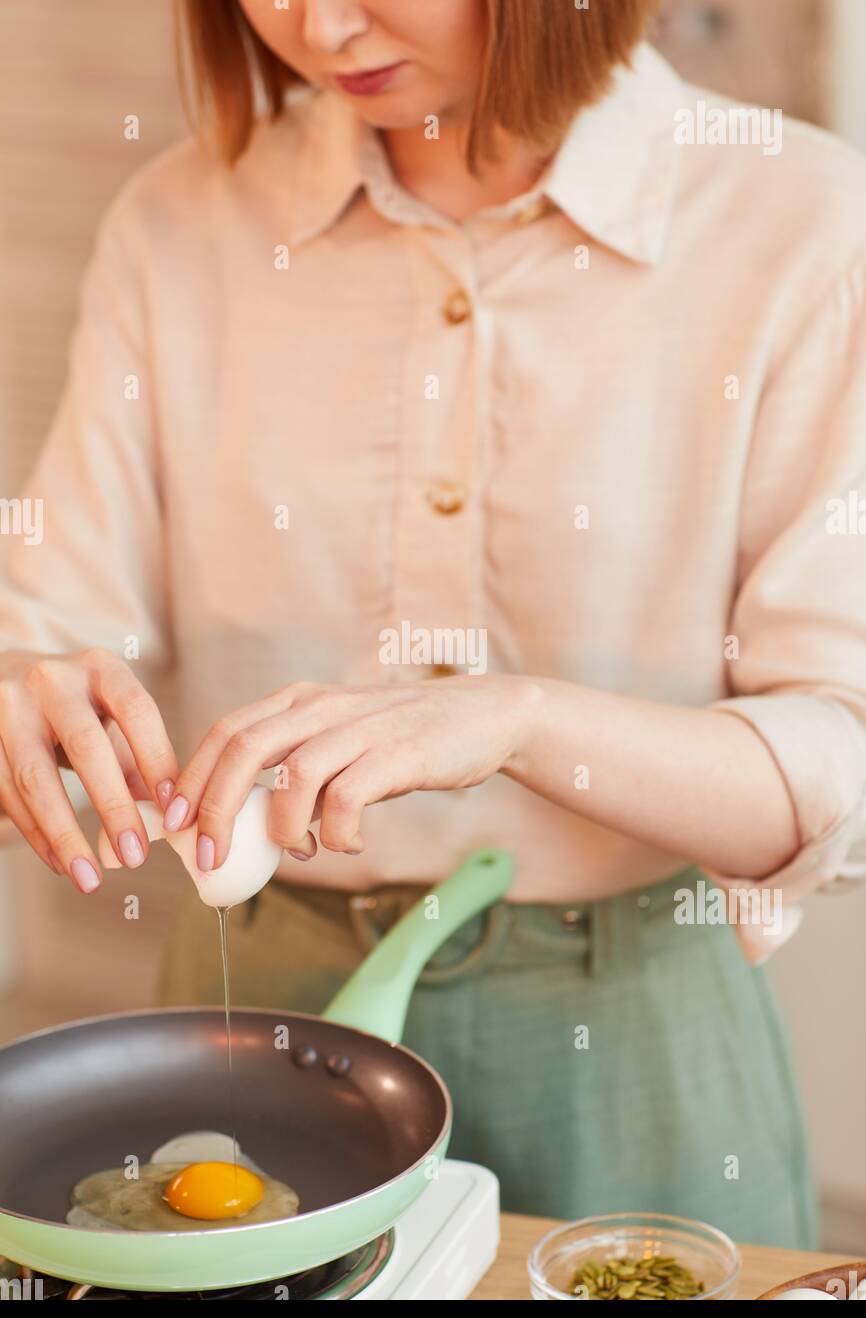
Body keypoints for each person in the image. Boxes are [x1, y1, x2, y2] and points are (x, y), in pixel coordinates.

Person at [2, 0, 865, 1243]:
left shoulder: (798, 223)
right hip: (254, 1012)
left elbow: (836, 759)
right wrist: (26, 697)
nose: (316, 22)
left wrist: (516, 716)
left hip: (623, 1032)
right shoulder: (178, 221)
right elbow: (48, 635)